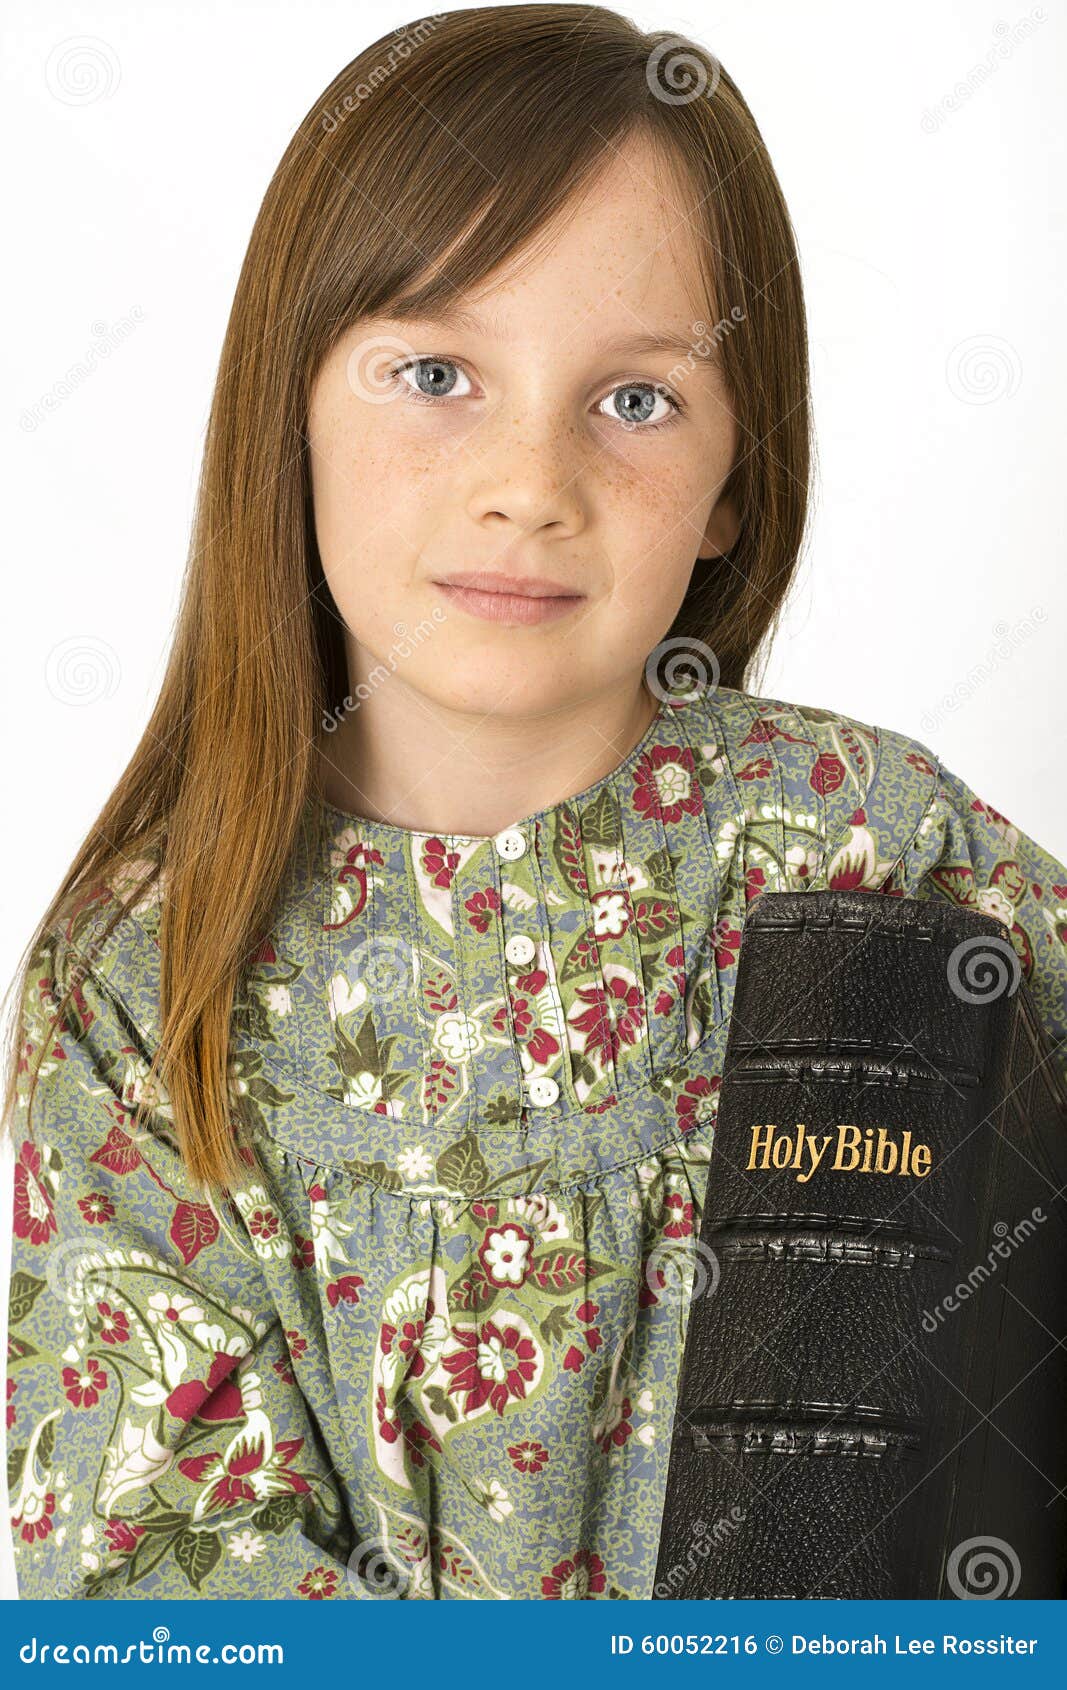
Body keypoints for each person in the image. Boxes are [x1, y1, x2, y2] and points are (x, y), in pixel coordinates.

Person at [4, 5, 1066, 1601]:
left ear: (731, 483)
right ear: (288, 409)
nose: (530, 478)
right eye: (436, 371)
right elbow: (160, 1591)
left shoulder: (874, 842)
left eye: (634, 399)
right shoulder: (145, 988)